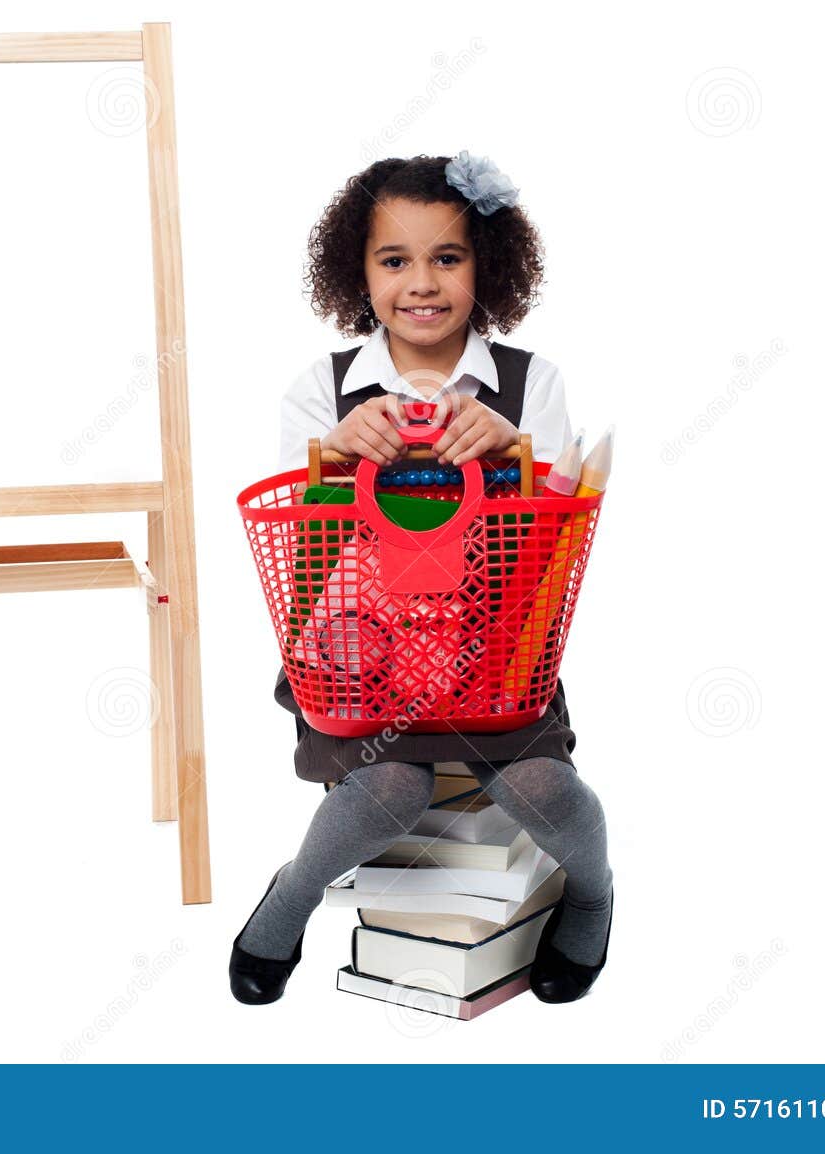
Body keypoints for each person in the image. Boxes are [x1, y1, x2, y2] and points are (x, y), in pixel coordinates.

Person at [230, 153, 614, 1006]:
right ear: (356, 271)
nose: (422, 284)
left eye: (448, 257)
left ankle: (592, 893)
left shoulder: (528, 384)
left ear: (487, 265)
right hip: (360, 660)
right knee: (389, 787)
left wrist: (511, 447)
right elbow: (303, 571)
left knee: (537, 786)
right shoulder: (321, 392)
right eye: (393, 260)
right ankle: (291, 898)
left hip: (495, 654)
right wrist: (331, 458)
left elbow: (544, 558)